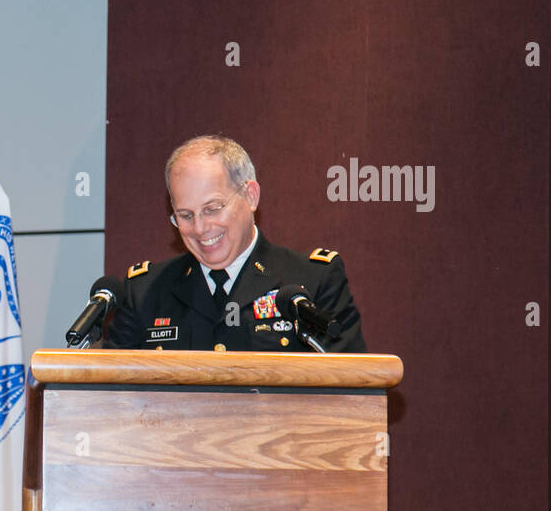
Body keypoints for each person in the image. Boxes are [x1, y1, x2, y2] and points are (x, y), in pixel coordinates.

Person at [106, 135, 366, 352]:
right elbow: (109, 397)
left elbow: (351, 390)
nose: (199, 228)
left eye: (213, 208)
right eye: (185, 215)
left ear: (250, 196)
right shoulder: (145, 291)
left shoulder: (312, 282)